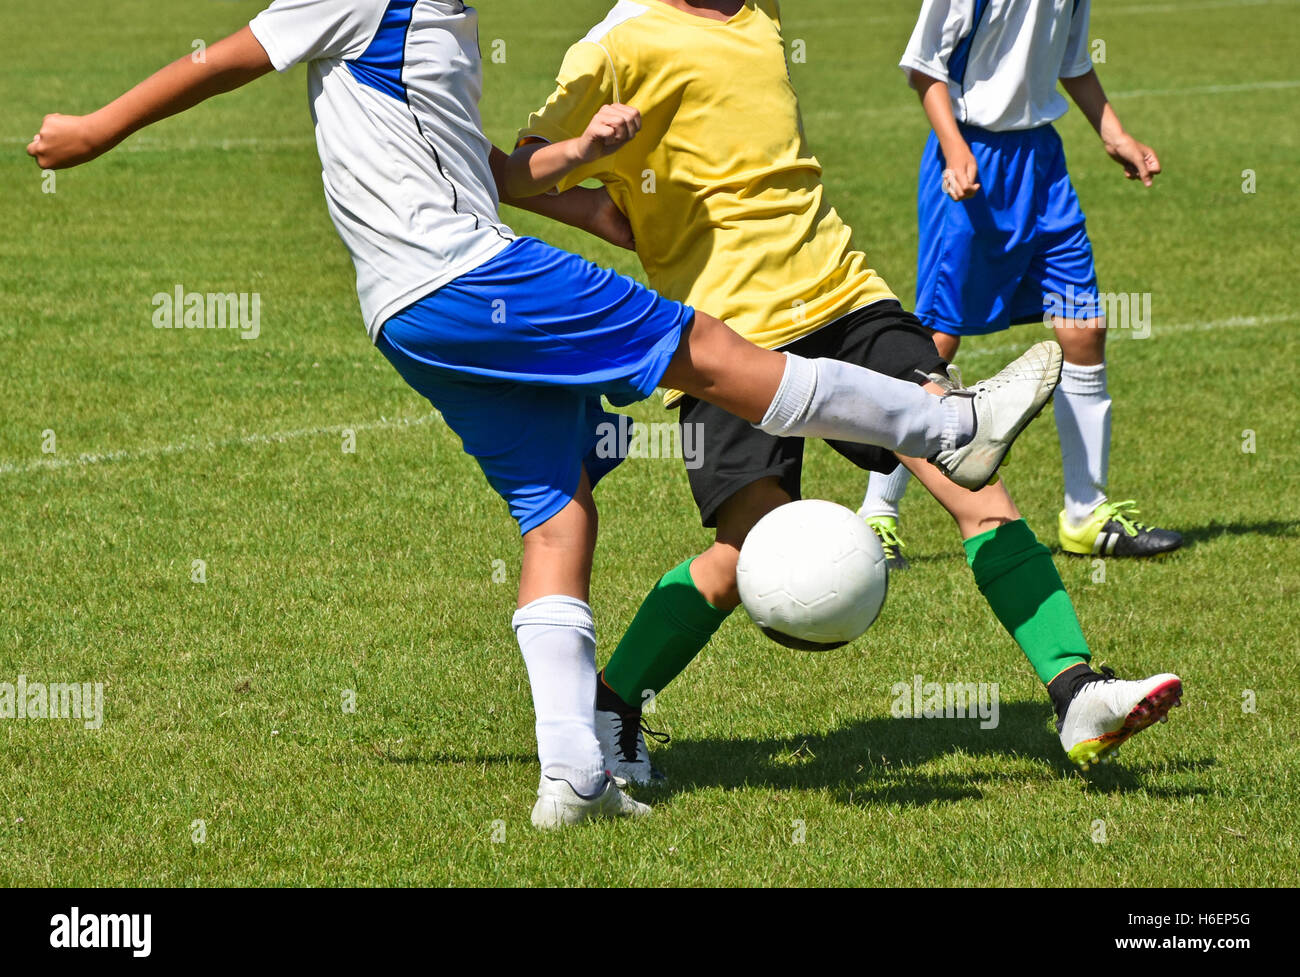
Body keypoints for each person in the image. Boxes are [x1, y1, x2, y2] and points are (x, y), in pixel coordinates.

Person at [26, 0, 1059, 828]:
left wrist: (579, 155)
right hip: (469, 278)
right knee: (710, 352)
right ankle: (944, 427)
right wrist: (95, 128)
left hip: (410, 310)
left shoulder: (449, 24)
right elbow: (227, 60)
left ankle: (570, 777)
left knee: (557, 516)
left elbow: (480, 168)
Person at [508, 0, 1182, 786]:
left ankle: (1077, 691)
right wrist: (591, 195)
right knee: (738, 558)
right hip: (729, 337)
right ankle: (611, 706)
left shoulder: (762, 14)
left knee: (975, 478)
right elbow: (518, 171)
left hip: (845, 297)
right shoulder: (613, 45)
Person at [859, 0, 1182, 566]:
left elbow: (1072, 61)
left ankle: (1087, 514)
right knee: (934, 342)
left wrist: (1115, 135)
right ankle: (876, 516)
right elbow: (923, 67)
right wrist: (955, 147)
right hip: (971, 158)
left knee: (1084, 328)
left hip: (1043, 164)